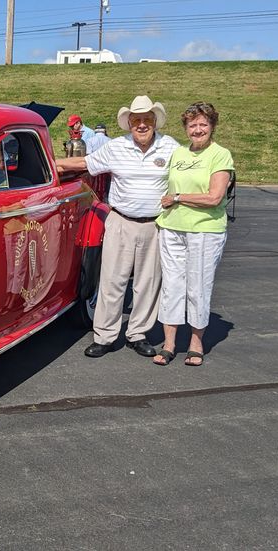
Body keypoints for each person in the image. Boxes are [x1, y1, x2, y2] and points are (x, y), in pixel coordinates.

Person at [56, 95, 180, 359]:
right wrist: (53, 163)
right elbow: (85, 163)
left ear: (155, 121)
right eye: (137, 120)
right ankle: (105, 336)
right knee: (112, 280)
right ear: (129, 123)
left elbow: (188, 172)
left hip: (154, 225)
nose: (142, 125)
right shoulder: (116, 146)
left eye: (147, 119)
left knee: (148, 283)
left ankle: (138, 334)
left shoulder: (170, 147)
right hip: (121, 220)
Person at [152, 102, 234, 367]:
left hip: (204, 230)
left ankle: (196, 343)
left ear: (212, 126)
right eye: (192, 125)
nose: (197, 130)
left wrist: (177, 197)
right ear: (186, 128)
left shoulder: (220, 155)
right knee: (172, 285)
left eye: (203, 124)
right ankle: (169, 343)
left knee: (198, 286)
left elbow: (214, 197)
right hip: (172, 227)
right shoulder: (179, 153)